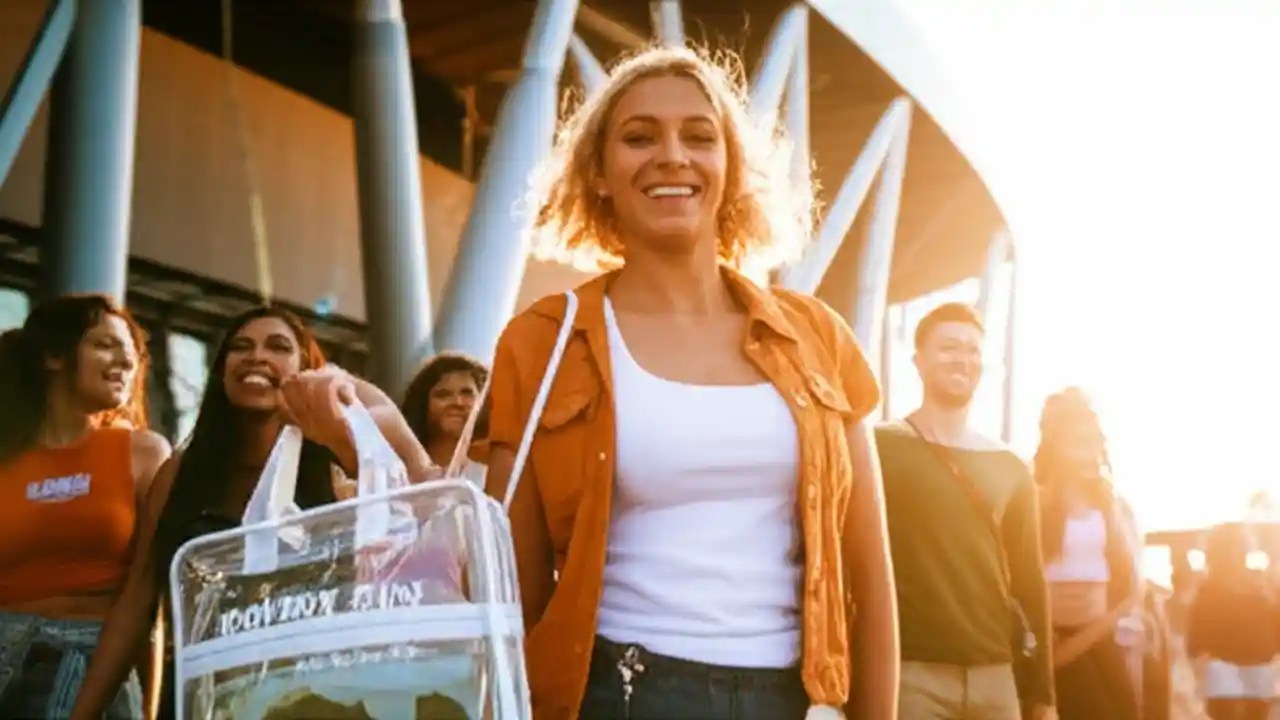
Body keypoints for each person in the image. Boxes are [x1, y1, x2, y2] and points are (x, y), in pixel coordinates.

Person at [474, 44, 898, 720]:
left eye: (699, 137)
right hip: (623, 694)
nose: (672, 155)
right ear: (600, 174)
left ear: (729, 171)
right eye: (639, 137)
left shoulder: (818, 337)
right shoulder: (543, 342)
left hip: (797, 700)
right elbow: (510, 592)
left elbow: (870, 577)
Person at [70, 305, 433, 719]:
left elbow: (418, 480)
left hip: (320, 699)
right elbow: (138, 597)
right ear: (222, 371)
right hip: (205, 697)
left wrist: (337, 383)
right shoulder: (181, 472)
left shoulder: (337, 462)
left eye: (278, 347)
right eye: (240, 347)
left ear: (305, 369)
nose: (256, 356)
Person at [875, 302, 1055, 720]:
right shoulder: (879, 448)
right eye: (949, 347)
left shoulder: (1009, 466)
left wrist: (1043, 694)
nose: (963, 359)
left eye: (973, 351)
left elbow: (1030, 581)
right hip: (912, 672)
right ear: (918, 361)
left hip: (996, 675)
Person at [0, 294, 171, 719]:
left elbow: (148, 596)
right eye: (105, 344)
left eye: (131, 351)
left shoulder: (143, 453)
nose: (126, 362)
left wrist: (148, 709)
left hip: (93, 663)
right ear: (54, 356)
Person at [1033, 388, 1142, 720]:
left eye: (1092, 442)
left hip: (1097, 645)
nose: (1086, 454)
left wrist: (1084, 640)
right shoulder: (1035, 501)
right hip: (1046, 647)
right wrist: (1047, 656)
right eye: (1075, 443)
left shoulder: (1114, 508)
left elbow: (1131, 591)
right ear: (1055, 445)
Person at [1186, 522, 1279, 720]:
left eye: (1239, 547)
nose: (1236, 553)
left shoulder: (1260, 585)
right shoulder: (1208, 591)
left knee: (1256, 714)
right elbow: (1196, 640)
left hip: (1259, 666)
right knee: (1228, 713)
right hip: (1224, 668)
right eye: (1231, 547)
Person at [402, 352, 489, 485]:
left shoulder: (493, 473)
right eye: (443, 395)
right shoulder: (400, 471)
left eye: (467, 394)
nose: (457, 402)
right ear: (422, 405)